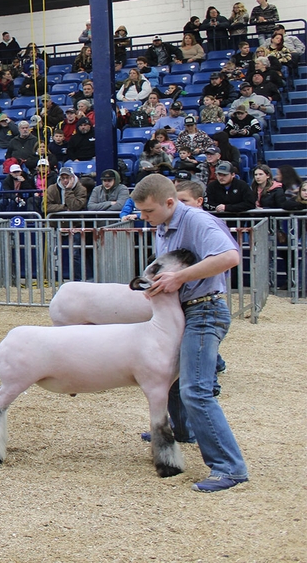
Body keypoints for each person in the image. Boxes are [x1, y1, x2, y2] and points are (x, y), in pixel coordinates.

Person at [130, 174, 248, 492]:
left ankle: (229, 467)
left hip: (205, 310)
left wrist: (178, 279)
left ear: (170, 202)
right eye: (141, 212)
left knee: (195, 390)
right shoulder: (163, 226)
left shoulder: (196, 220)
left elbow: (229, 257)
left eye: (149, 211)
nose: (144, 218)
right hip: (184, 312)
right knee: (171, 380)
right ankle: (181, 431)